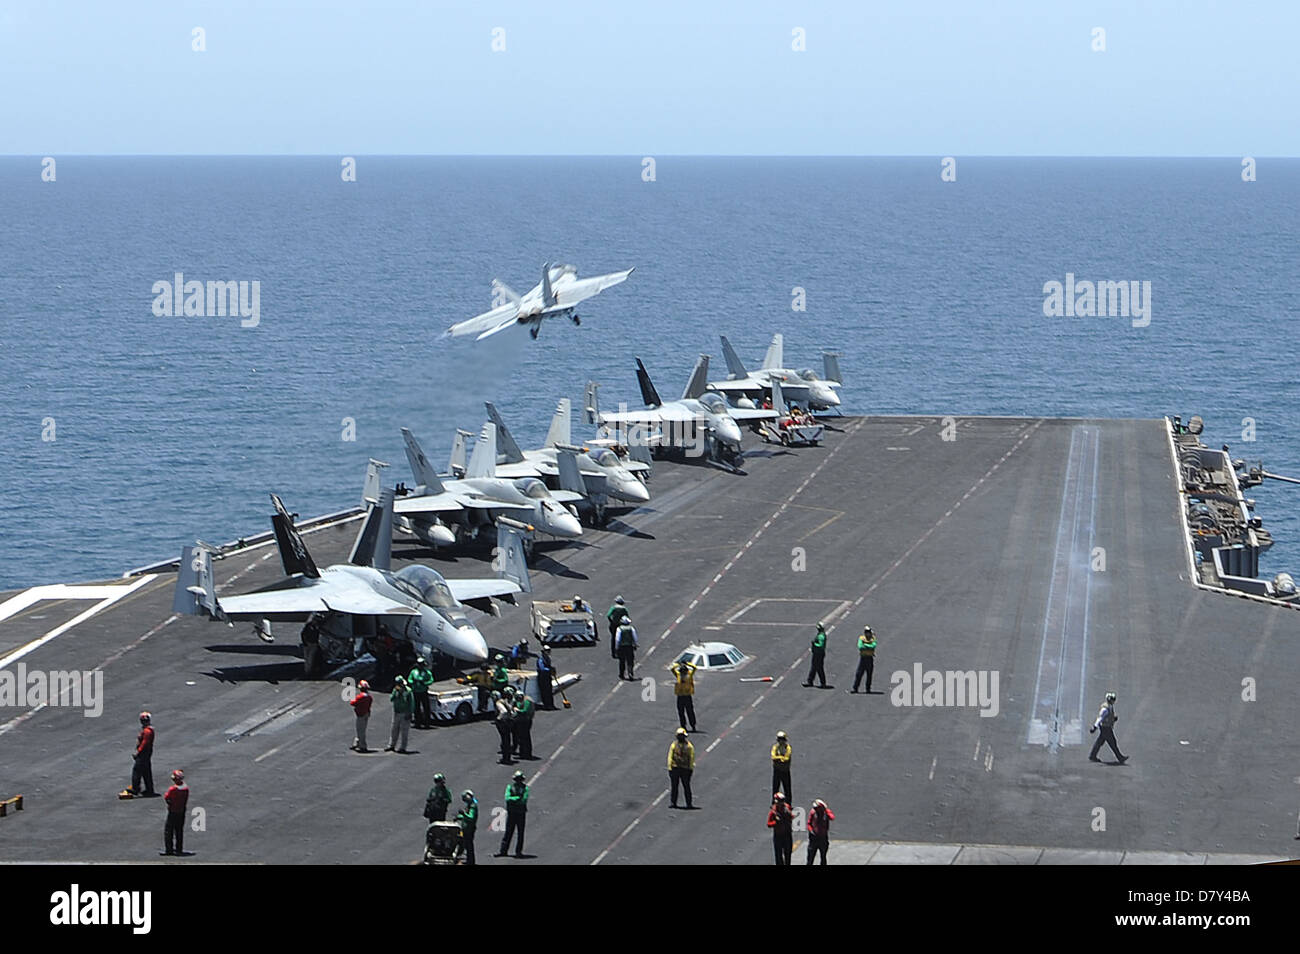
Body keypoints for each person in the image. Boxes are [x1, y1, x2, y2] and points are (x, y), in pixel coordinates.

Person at [1088, 691, 1128, 763]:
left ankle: (1092, 755)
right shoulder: (1105, 709)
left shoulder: (1110, 706)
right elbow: (1100, 718)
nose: (1113, 701)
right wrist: (1094, 727)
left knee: (1100, 742)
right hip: (1105, 728)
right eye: (1112, 699)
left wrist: (1113, 718)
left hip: (1107, 727)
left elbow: (1108, 716)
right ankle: (1120, 757)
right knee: (1112, 743)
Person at [497, 770, 529, 858]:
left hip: (520, 813)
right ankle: (503, 850)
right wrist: (517, 798)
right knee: (508, 832)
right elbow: (507, 798)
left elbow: (524, 800)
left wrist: (513, 800)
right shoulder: (510, 787)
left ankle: (518, 851)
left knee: (520, 833)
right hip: (512, 812)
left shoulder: (525, 788)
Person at [124, 711, 156, 798]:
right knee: (146, 771)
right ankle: (149, 789)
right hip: (147, 753)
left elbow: (144, 743)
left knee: (137, 770)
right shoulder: (149, 730)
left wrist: (138, 752)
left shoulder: (147, 731)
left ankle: (135, 788)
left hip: (143, 754)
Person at [161, 769, 189, 856]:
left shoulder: (173, 789)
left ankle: (169, 849)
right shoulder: (185, 789)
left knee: (169, 831)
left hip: (173, 811)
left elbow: (167, 797)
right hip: (181, 810)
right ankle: (179, 848)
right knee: (179, 830)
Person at [667, 727, 695, 809]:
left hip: (685, 769)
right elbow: (670, 757)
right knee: (674, 786)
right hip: (675, 768)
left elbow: (691, 757)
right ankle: (673, 802)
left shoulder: (689, 746)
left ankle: (688, 803)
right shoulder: (674, 745)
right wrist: (670, 767)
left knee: (686, 786)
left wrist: (690, 768)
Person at [386, 676, 413, 753]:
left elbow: (411, 703)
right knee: (394, 729)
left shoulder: (408, 691)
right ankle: (391, 745)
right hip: (396, 712)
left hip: (405, 713)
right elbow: (391, 699)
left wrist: (410, 713)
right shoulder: (395, 690)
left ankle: (403, 747)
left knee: (404, 731)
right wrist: (396, 694)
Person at [671, 657, 698, 732]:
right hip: (680, 696)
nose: (682, 674)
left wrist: (687, 663)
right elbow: (672, 669)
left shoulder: (689, 675)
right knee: (681, 712)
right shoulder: (678, 675)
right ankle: (683, 726)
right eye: (681, 672)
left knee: (690, 711)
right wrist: (678, 664)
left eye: (684, 672)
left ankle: (693, 725)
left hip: (687, 696)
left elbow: (695, 668)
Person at [767, 792, 793, 865]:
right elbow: (769, 824)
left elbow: (792, 817)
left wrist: (788, 816)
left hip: (787, 834)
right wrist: (776, 822)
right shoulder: (773, 812)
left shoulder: (787, 808)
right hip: (778, 836)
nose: (782, 803)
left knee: (788, 854)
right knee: (778, 856)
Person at [806, 799, 834, 865]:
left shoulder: (826, 813)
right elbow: (809, 823)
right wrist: (811, 831)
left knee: (823, 856)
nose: (815, 808)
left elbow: (832, 817)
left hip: (823, 838)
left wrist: (826, 811)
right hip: (814, 837)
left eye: (817, 807)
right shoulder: (813, 812)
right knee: (810, 857)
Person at [408, 658, 434, 728]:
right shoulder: (413, 672)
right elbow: (409, 679)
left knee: (426, 707)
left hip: (423, 692)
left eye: (421, 664)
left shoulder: (426, 672)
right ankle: (417, 722)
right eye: (419, 664)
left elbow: (431, 680)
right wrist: (413, 682)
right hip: (416, 692)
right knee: (416, 708)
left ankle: (427, 723)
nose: (420, 666)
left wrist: (425, 683)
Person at [850, 626, 876, 694]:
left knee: (869, 674)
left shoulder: (873, 638)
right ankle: (855, 688)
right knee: (859, 674)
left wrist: (865, 645)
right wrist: (868, 646)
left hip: (869, 658)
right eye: (866, 632)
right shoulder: (861, 638)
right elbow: (860, 646)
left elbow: (873, 646)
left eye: (868, 632)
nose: (867, 633)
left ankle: (868, 688)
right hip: (863, 658)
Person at [349, 680, 373, 752]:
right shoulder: (369, 697)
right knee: (361, 729)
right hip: (366, 714)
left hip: (360, 715)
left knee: (360, 731)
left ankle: (363, 745)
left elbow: (352, 703)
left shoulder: (360, 697)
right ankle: (356, 743)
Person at [456, 790, 478, 865]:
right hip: (466, 828)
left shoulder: (473, 806)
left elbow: (471, 817)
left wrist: (463, 814)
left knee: (469, 846)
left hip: (469, 829)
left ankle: (471, 861)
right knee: (466, 845)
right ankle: (469, 860)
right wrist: (459, 817)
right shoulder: (469, 805)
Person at [803, 623, 828, 688]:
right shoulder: (820, 635)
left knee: (819, 668)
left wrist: (814, 644)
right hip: (817, 653)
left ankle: (823, 683)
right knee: (814, 668)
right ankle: (810, 681)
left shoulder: (821, 636)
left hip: (819, 654)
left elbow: (821, 645)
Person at [513, 687, 536, 759]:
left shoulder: (527, 701)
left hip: (525, 721)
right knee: (521, 737)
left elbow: (524, 710)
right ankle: (522, 752)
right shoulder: (522, 700)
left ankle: (527, 753)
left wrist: (517, 710)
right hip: (521, 721)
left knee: (525, 737)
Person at [493, 690, 515, 764]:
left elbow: (504, 711)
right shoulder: (505, 701)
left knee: (505, 741)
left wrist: (499, 718)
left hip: (503, 723)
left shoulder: (498, 703)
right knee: (507, 740)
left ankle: (505, 758)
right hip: (509, 722)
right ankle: (507, 757)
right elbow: (511, 711)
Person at [770, 730, 792, 801]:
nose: (780, 741)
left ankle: (788, 803)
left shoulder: (788, 748)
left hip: (785, 771)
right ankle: (774, 802)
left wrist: (778, 758)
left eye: (782, 739)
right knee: (775, 787)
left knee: (787, 788)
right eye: (779, 739)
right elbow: (773, 757)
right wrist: (781, 758)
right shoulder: (775, 747)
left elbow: (786, 758)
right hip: (777, 770)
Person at [536, 644, 556, 710]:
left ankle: (551, 704)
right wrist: (549, 669)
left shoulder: (547, 658)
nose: (548, 652)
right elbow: (542, 668)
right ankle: (546, 705)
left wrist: (551, 669)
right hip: (542, 677)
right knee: (545, 691)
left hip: (547, 676)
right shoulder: (541, 659)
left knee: (549, 691)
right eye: (547, 651)